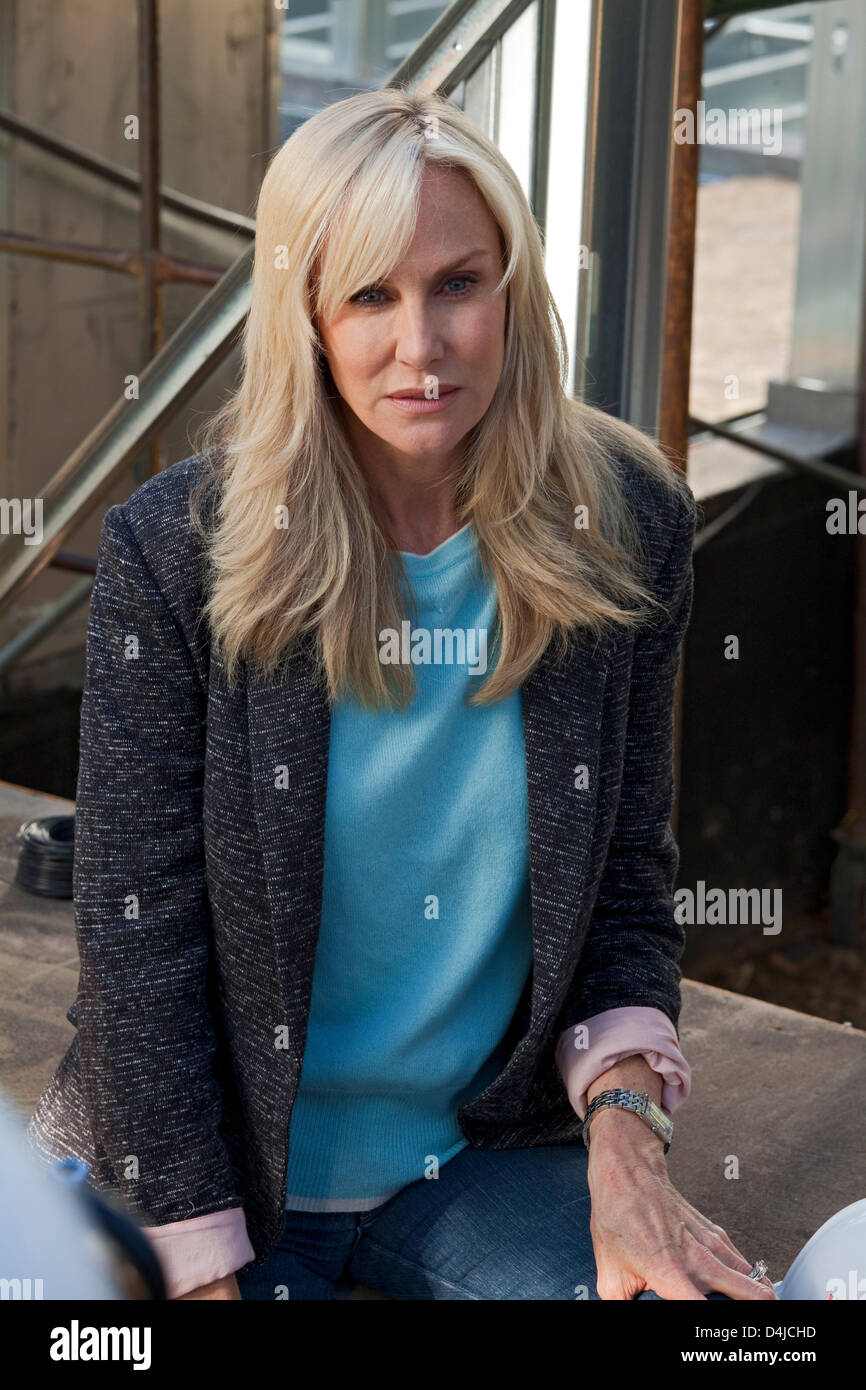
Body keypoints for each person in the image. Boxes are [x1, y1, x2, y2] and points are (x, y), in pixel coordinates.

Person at [27, 87, 777, 1302]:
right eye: (369, 294)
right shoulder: (177, 555)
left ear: (513, 291)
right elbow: (136, 949)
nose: (419, 346)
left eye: (457, 283)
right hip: (203, 1173)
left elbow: (623, 885)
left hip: (472, 1161)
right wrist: (202, 1270)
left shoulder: (625, 529)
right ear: (306, 315)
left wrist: (627, 1135)